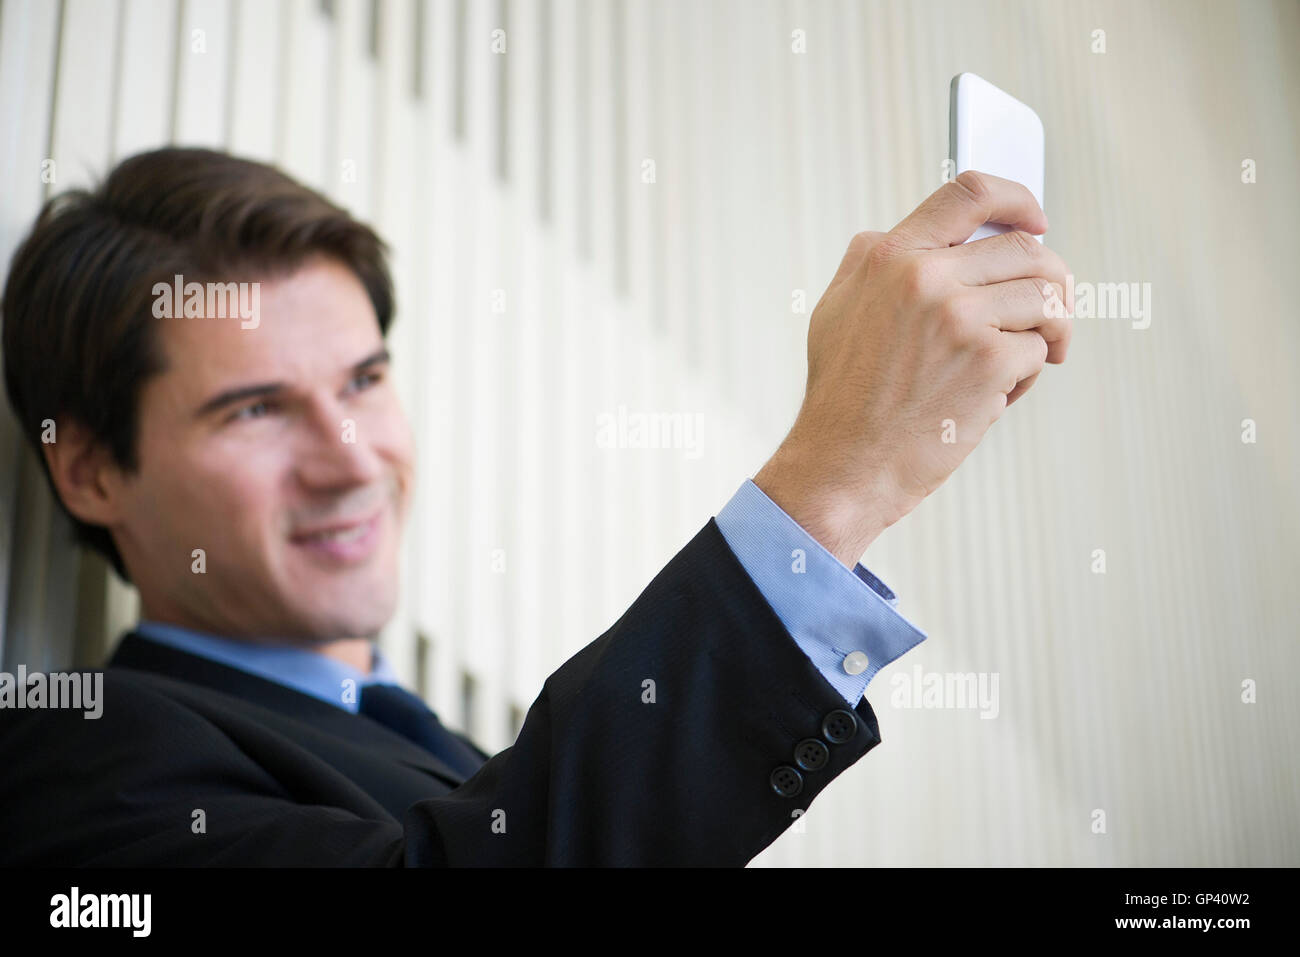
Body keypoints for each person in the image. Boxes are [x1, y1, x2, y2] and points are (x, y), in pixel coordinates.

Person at [0, 148, 1072, 865]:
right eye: (253, 410)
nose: (350, 456)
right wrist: (837, 483)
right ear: (89, 470)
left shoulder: (462, 760)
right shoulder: (71, 766)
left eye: (364, 381)